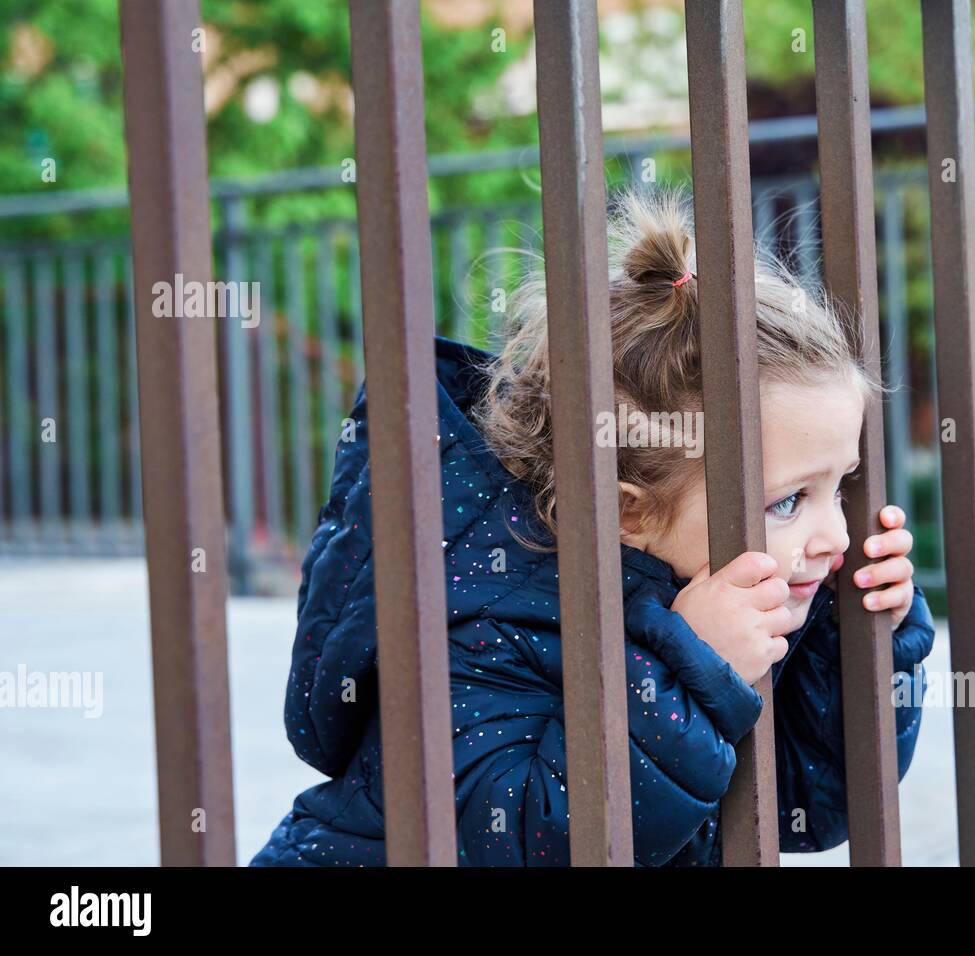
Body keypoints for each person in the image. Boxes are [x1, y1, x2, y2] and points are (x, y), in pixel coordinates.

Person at [249, 183, 934, 866]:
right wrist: (689, 670)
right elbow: (527, 839)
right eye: (788, 501)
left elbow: (805, 806)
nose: (837, 537)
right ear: (628, 511)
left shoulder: (723, 598)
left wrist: (854, 641)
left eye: (838, 486)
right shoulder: (483, 623)